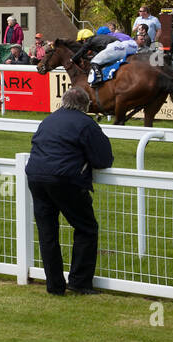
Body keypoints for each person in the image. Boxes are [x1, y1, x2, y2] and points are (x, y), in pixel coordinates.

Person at [26, 86, 114, 296]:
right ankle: (79, 282)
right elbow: (103, 159)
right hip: (64, 179)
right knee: (86, 228)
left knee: (48, 232)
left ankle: (54, 286)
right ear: (85, 106)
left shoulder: (49, 120)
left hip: (36, 177)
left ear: (63, 102)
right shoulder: (86, 124)